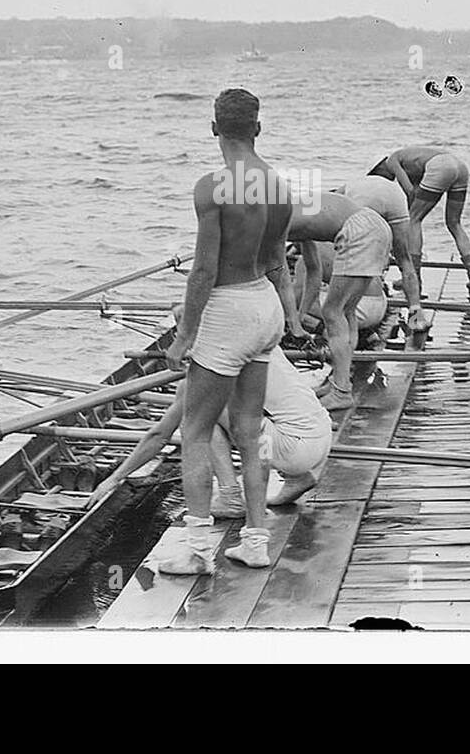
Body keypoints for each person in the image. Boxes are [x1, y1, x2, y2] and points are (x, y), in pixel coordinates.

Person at [159, 88, 292, 574]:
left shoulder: (213, 186)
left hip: (228, 309)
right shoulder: (278, 184)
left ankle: (197, 551)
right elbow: (277, 261)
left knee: (194, 432)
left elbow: (203, 272)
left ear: (213, 128)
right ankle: (254, 543)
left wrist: (183, 336)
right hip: (265, 305)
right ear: (258, 127)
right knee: (249, 430)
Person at [88, 344, 333, 516]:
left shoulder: (212, 364)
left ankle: (230, 497)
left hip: (294, 448)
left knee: (196, 416)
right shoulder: (258, 334)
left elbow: (160, 435)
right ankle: (298, 478)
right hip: (322, 437)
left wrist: (114, 478)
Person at [284, 191, 393, 411]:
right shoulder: (294, 209)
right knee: (346, 311)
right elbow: (313, 270)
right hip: (374, 224)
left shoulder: (272, 218)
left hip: (357, 231)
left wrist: (294, 325)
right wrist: (300, 316)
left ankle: (341, 392)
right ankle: (340, 384)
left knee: (332, 312)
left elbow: (281, 279)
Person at [367, 146, 470, 292]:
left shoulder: (392, 160)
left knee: (414, 220)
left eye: (376, 173)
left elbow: (409, 191)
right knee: (454, 223)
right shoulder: (411, 164)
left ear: (380, 166)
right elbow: (414, 193)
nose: (381, 178)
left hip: (441, 166)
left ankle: (414, 279)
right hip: (459, 167)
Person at [334, 174, 427, 331]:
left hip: (362, 202)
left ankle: (360, 299)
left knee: (353, 251)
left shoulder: (341, 192)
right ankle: (416, 316)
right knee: (404, 260)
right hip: (396, 199)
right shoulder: (369, 182)